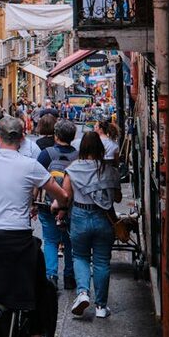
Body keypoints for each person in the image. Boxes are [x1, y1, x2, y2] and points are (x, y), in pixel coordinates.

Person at [0, 116, 69, 337]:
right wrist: (60, 203)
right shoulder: (30, 166)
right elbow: (60, 194)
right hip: (17, 239)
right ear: (23, 136)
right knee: (41, 288)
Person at [58, 132, 122, 319]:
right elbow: (117, 197)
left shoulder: (73, 169)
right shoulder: (110, 170)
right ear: (100, 149)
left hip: (80, 214)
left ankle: (83, 293)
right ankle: (101, 307)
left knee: (80, 257)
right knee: (102, 261)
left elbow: (66, 196)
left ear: (82, 148)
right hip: (104, 217)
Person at [36, 120, 79, 290]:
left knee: (51, 240)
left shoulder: (46, 154)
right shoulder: (77, 156)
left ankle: (51, 276)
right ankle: (69, 276)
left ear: (56, 135)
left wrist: (33, 202)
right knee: (69, 241)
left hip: (47, 205)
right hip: (70, 205)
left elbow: (37, 180)